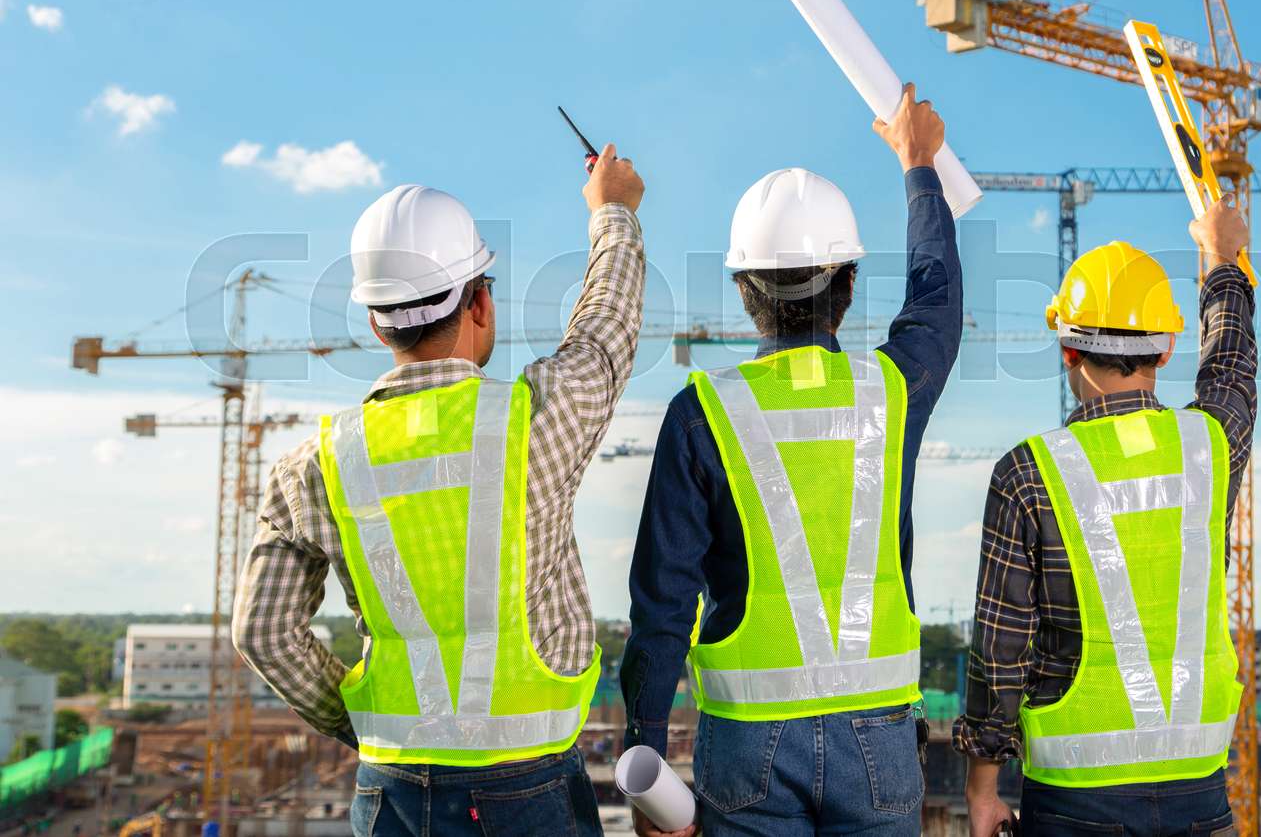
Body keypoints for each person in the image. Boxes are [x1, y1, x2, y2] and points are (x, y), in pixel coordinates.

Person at [234, 147, 646, 837]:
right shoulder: (538, 418)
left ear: (375, 321)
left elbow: (263, 632)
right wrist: (613, 214)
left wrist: (367, 722)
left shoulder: (312, 464)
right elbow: (606, 332)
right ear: (479, 301)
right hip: (531, 787)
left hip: (391, 791)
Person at [620, 84, 963, 836]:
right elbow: (937, 302)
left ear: (744, 290)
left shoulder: (700, 413)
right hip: (879, 741)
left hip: (748, 745)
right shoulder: (891, 391)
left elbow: (662, 604)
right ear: (847, 282)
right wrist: (918, 165)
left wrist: (643, 747)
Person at [959, 199, 1256, 837]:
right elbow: (1231, 365)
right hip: (1201, 797)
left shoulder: (1027, 473)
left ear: (1068, 350)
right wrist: (1221, 260)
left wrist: (982, 792)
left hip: (1073, 803)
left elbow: (999, 652)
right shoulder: (1210, 449)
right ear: (1168, 347)